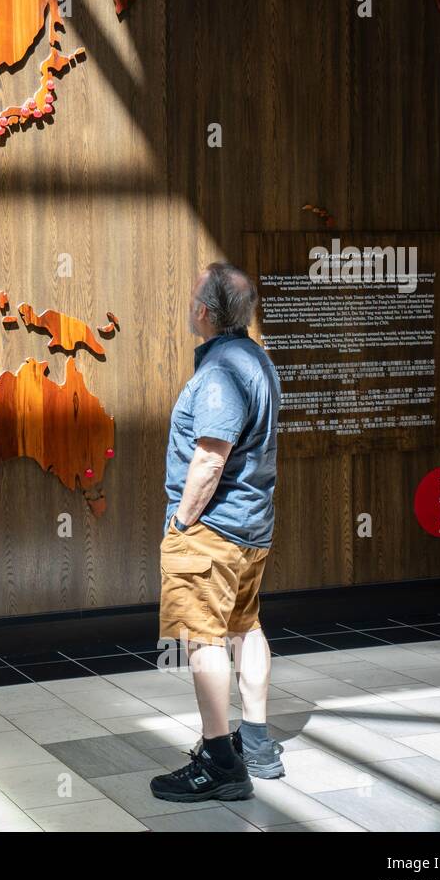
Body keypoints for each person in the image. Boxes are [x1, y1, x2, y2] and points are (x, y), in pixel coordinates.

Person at [149, 262, 285, 804]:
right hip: (251, 529)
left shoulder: (220, 372)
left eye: (191, 299)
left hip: (212, 531)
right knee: (245, 627)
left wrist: (182, 523)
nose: (188, 306)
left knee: (202, 639)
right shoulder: (257, 360)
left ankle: (220, 761)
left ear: (204, 312)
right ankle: (256, 743)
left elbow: (210, 458)